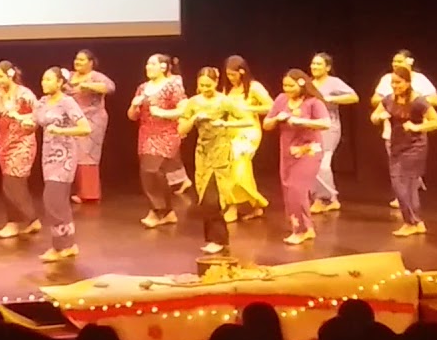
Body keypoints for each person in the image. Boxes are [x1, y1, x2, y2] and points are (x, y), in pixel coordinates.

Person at [17, 67, 90, 262]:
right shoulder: (42, 102)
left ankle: (60, 246)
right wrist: (26, 125)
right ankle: (68, 245)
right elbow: (34, 123)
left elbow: (85, 128)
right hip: (48, 156)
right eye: (43, 79)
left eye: (49, 80)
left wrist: (61, 131)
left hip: (65, 156)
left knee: (53, 200)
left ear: (59, 83)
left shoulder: (67, 102)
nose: (44, 83)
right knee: (58, 202)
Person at [178, 67, 251, 255]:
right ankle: (214, 238)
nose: (204, 88)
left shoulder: (224, 101)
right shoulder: (193, 102)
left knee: (213, 198)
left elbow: (247, 120)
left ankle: (218, 239)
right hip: (202, 153)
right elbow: (181, 130)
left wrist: (225, 123)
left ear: (216, 83)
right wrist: (194, 118)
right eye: (201, 85)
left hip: (220, 151)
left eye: (208, 85)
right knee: (204, 198)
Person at [371, 67, 437, 237]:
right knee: (400, 185)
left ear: (407, 83)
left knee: (406, 184)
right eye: (392, 83)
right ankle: (416, 222)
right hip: (397, 145)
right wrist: (378, 118)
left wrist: (417, 126)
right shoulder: (389, 100)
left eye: (398, 82)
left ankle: (411, 222)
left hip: (415, 146)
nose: (395, 86)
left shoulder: (418, 101)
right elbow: (374, 116)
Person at [263, 70, 331, 245]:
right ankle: (306, 228)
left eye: (291, 86)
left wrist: (301, 122)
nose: (287, 89)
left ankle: (300, 230)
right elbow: (267, 124)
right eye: (285, 85)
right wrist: (278, 118)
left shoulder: (313, 102)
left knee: (297, 188)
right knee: (288, 190)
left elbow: (325, 123)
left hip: (309, 150)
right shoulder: (281, 100)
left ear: (301, 84)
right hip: (287, 151)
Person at [128, 54, 188, 228]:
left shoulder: (172, 85)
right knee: (151, 173)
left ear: (163, 67)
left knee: (152, 169)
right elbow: (132, 116)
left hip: (167, 133)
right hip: (146, 134)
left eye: (152, 64)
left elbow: (183, 109)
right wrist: (134, 105)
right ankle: (166, 211)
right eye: (147, 64)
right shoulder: (142, 88)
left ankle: (158, 210)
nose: (148, 67)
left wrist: (163, 113)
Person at [0, 61, 41, 239]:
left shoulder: (25, 94)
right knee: (15, 184)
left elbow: (39, 115)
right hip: (4, 145)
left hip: (23, 142)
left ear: (10, 75)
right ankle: (31, 220)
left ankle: (14, 223)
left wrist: (20, 117)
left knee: (12, 183)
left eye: (1, 76)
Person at [62, 49, 115, 203]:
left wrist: (89, 86)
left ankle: (90, 194)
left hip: (93, 119)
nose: (77, 62)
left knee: (88, 155)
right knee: (74, 154)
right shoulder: (70, 76)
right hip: (74, 120)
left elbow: (110, 87)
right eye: (76, 59)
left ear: (91, 63)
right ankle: (79, 190)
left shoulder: (96, 77)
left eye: (82, 60)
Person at [308, 53, 359, 213]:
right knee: (312, 163)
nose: (314, 67)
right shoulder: (309, 83)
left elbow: (354, 97)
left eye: (319, 64)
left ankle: (323, 199)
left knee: (323, 162)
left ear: (328, 67)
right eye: (313, 64)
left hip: (329, 127)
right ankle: (329, 198)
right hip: (311, 128)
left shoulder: (334, 82)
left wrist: (331, 99)